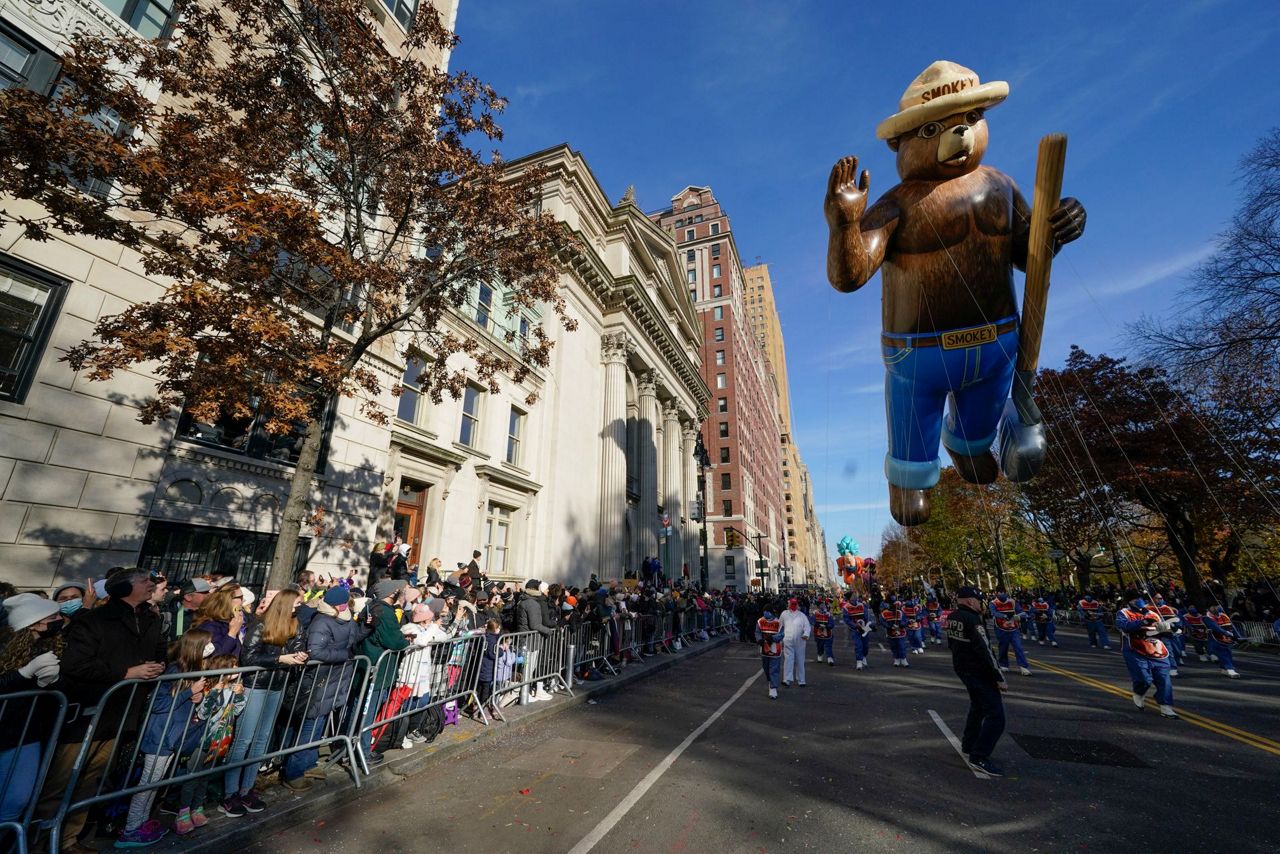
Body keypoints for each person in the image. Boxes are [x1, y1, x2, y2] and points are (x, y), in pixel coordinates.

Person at [39, 567, 167, 853]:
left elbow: (160, 651)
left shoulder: (150, 619)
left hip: (121, 714)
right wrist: (126, 672)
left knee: (90, 781)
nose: (152, 585)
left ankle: (69, 840)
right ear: (124, 588)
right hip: (86, 713)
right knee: (62, 782)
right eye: (145, 581)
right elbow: (76, 665)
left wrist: (159, 666)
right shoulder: (94, 620)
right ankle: (40, 843)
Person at [221, 589, 309, 817]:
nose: (296, 608)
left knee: (261, 740)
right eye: (294, 604)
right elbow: (249, 657)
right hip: (256, 685)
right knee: (244, 739)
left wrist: (301, 656)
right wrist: (279, 658)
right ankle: (229, 794)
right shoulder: (260, 625)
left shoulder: (295, 624)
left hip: (277, 686)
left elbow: (299, 647)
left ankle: (247, 789)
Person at [118, 629, 210, 845]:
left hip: (171, 736)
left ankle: (141, 822)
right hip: (159, 735)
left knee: (155, 784)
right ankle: (131, 829)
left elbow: (179, 700)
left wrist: (195, 697)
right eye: (208, 643)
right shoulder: (174, 670)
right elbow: (158, 704)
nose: (211, 647)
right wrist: (189, 693)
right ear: (196, 647)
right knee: (147, 785)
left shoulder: (193, 669)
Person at [0, 595, 65, 831]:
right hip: (5, 728)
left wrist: (51, 682)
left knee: (18, 797)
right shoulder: (4, 645)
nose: (60, 620)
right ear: (34, 622)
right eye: (53, 616)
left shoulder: (49, 646)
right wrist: (24, 673)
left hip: (25, 734)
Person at [946, 586, 1007, 777]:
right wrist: (998, 676)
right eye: (980, 600)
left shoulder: (953, 617)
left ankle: (969, 743)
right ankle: (979, 756)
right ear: (971, 601)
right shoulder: (973, 620)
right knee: (996, 716)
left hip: (962, 667)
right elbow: (985, 649)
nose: (982, 604)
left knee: (978, 706)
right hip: (979, 671)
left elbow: (951, 644)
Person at [358, 579, 409, 764]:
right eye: (399, 591)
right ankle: (362, 751)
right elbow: (394, 641)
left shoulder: (373, 606)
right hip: (377, 670)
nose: (402, 593)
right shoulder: (385, 612)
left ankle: (354, 749)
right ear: (390, 593)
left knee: (363, 710)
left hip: (371, 668)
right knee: (367, 712)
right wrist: (406, 641)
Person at [1115, 590, 1177, 718]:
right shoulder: (1123, 613)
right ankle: (1139, 693)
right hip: (1136, 650)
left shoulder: (1154, 614)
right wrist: (1142, 622)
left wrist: (1169, 629)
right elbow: (1124, 626)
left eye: (1140, 599)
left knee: (1164, 680)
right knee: (1144, 679)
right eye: (1134, 599)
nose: (1138, 602)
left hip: (1157, 650)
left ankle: (1166, 707)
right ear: (1129, 601)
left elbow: (1165, 631)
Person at [990, 591, 1032, 676]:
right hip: (1000, 628)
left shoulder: (1012, 601)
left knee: (1018, 647)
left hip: (1014, 628)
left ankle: (1024, 667)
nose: (1001, 594)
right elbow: (993, 613)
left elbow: (1020, 611)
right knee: (1003, 647)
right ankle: (1003, 664)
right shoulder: (993, 603)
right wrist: (1004, 616)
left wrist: (1019, 616)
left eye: (1003, 592)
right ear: (996, 594)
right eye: (999, 593)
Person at [778, 598, 810, 687]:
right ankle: (787, 679)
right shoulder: (784, 614)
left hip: (800, 640)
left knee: (800, 660)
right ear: (788, 604)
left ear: (797, 605)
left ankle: (801, 680)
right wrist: (777, 638)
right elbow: (779, 626)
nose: (793, 606)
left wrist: (806, 634)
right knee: (788, 660)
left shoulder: (802, 616)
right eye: (791, 604)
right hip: (788, 639)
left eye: (794, 604)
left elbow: (807, 627)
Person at [1204, 604, 1242, 678]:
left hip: (1226, 639)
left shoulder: (1224, 616)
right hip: (1215, 639)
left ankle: (1224, 669)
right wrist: (1228, 634)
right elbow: (1216, 628)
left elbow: (1231, 626)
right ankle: (1230, 669)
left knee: (1228, 653)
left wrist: (1237, 636)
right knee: (1223, 653)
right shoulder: (1207, 618)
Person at [756, 609, 784, 699]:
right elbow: (757, 632)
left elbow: (782, 634)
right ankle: (770, 680)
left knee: (774, 668)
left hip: (775, 648)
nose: (765, 613)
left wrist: (772, 638)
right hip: (764, 648)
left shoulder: (778, 622)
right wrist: (759, 639)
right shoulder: (760, 621)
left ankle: (773, 688)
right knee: (766, 667)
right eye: (764, 611)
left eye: (767, 611)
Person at [841, 593, 873, 669]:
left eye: (855, 595)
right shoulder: (846, 607)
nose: (855, 596)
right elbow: (847, 620)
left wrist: (867, 625)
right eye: (853, 596)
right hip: (855, 629)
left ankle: (864, 657)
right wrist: (855, 626)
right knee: (858, 645)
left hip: (864, 627)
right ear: (849, 598)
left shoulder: (861, 605)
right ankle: (859, 661)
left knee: (866, 645)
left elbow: (866, 616)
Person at [880, 596, 909, 667]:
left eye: (894, 603)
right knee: (893, 646)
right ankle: (896, 659)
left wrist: (901, 625)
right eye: (890, 603)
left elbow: (905, 620)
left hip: (900, 632)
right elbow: (882, 621)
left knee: (901, 645)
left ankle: (903, 659)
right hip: (891, 632)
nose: (893, 605)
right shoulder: (884, 613)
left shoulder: (900, 612)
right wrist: (889, 626)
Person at [811, 599, 836, 665]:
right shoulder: (815, 613)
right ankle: (820, 654)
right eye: (821, 605)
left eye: (824, 605)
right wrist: (818, 625)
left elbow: (832, 623)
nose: (823, 607)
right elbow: (812, 621)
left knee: (828, 645)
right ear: (818, 607)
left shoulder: (828, 614)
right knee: (820, 645)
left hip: (828, 632)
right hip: (818, 632)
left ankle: (830, 658)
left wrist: (828, 626)